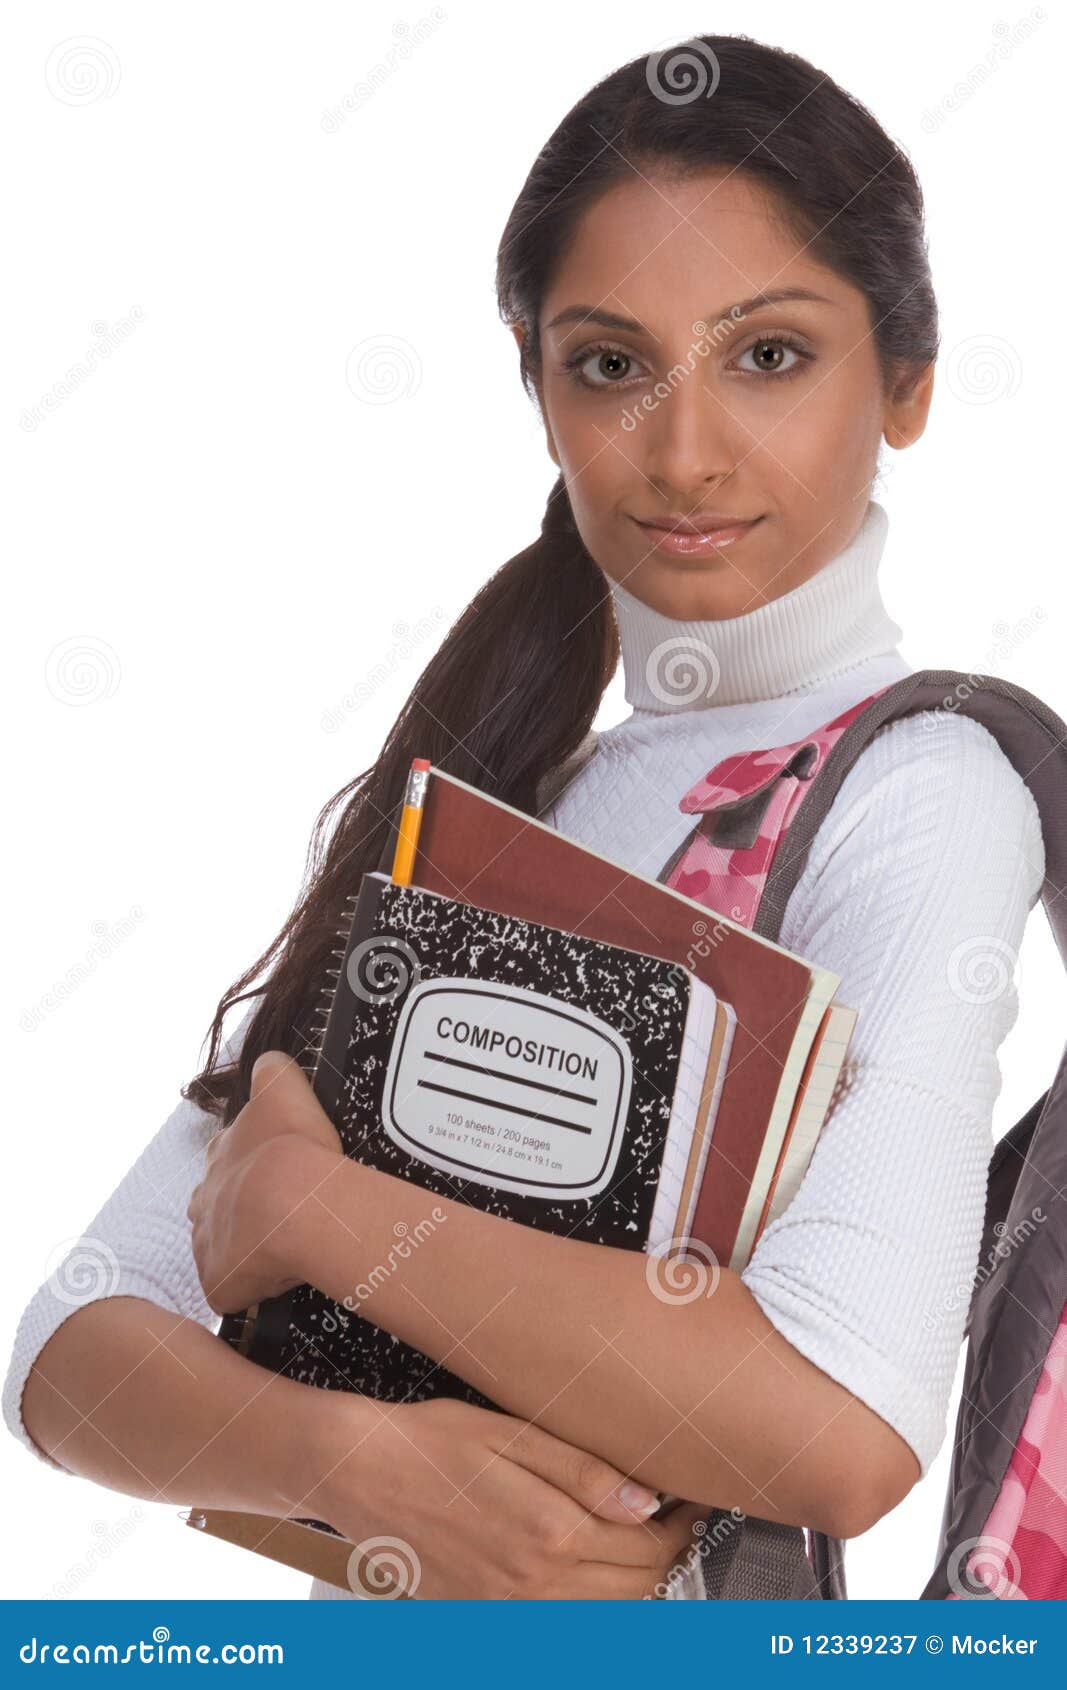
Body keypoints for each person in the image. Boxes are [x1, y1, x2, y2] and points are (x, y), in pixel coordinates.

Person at [4, 34, 1044, 1601]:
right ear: (539, 388)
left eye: (769, 355)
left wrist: (313, 1208)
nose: (683, 452)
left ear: (908, 383)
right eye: (612, 366)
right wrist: (350, 1464)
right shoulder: (485, 788)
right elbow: (68, 1355)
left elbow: (842, 1425)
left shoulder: (919, 788)